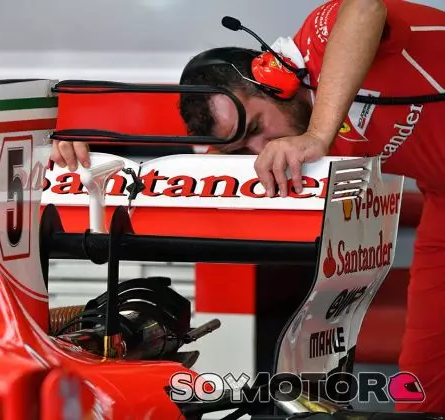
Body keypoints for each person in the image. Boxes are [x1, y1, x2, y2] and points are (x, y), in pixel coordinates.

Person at [50, 0, 445, 413]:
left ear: (274, 79)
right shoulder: (277, 137)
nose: (262, 151)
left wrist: (318, 134)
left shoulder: (316, 44)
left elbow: (365, 8)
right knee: (421, 393)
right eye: (243, 148)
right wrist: (75, 147)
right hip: (441, 200)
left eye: (257, 127)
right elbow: (180, 170)